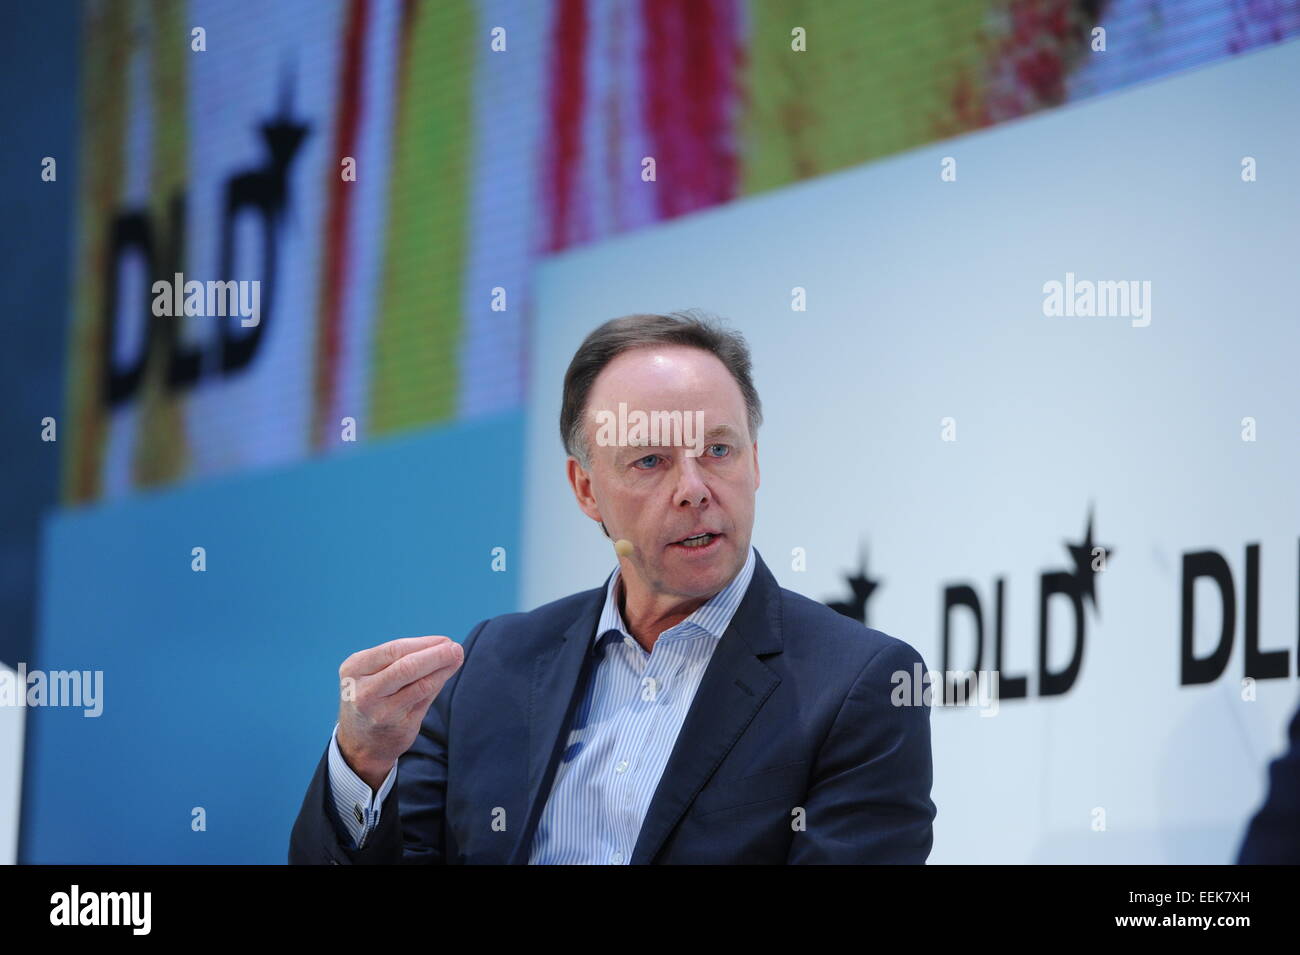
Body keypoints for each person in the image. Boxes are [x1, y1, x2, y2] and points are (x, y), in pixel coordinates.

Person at [289, 310, 936, 864]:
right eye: (651, 460)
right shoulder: (494, 664)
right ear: (585, 488)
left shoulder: (858, 685)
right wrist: (365, 764)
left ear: (756, 460)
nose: (693, 487)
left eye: (718, 450)